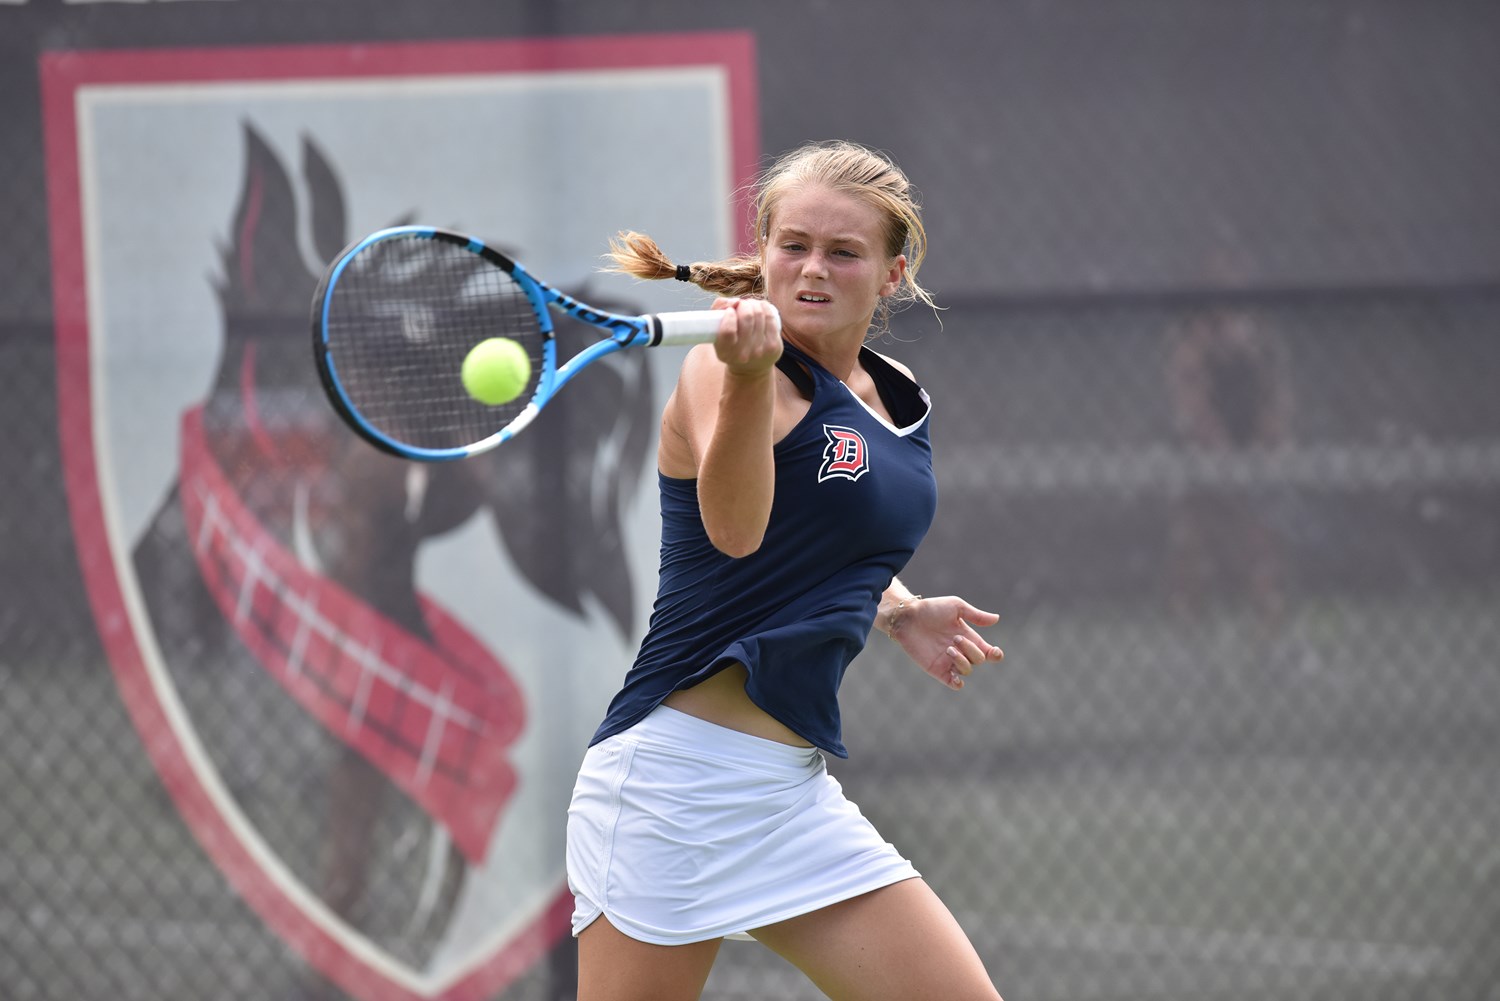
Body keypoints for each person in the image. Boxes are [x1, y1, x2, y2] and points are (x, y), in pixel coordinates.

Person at [565, 140, 1007, 1001]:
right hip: (669, 794)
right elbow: (736, 533)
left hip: (788, 798)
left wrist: (897, 607)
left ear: (891, 272)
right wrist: (743, 381)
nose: (812, 269)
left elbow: (823, 536)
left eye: (844, 252)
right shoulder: (718, 372)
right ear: (762, 252)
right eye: (793, 245)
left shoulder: (898, 392)